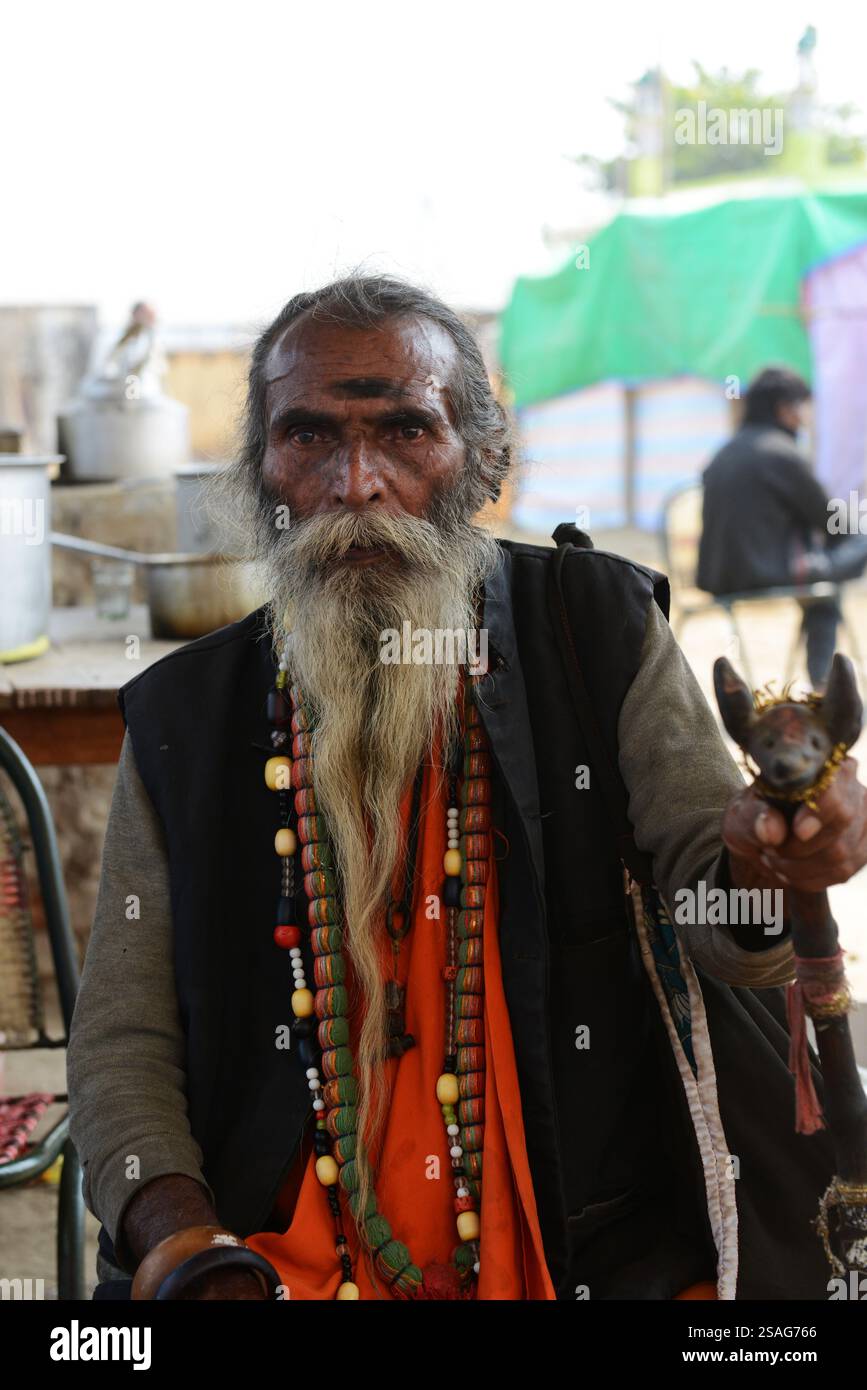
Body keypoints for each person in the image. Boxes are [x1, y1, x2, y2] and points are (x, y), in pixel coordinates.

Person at [67, 279, 867, 1302]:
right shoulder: (187, 714)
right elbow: (122, 1041)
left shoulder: (595, 628)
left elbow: (720, 922)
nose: (358, 480)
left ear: (482, 461)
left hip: (587, 1259)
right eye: (308, 436)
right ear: (262, 474)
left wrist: (770, 857)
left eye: (406, 430)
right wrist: (179, 1241)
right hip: (266, 1265)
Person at [698, 365, 867, 691]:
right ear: (783, 409)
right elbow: (832, 520)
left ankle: (821, 677)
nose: (804, 417)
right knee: (849, 554)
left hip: (718, 576)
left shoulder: (725, 452)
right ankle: (821, 682)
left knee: (824, 580)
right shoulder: (782, 454)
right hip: (766, 572)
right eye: (801, 407)